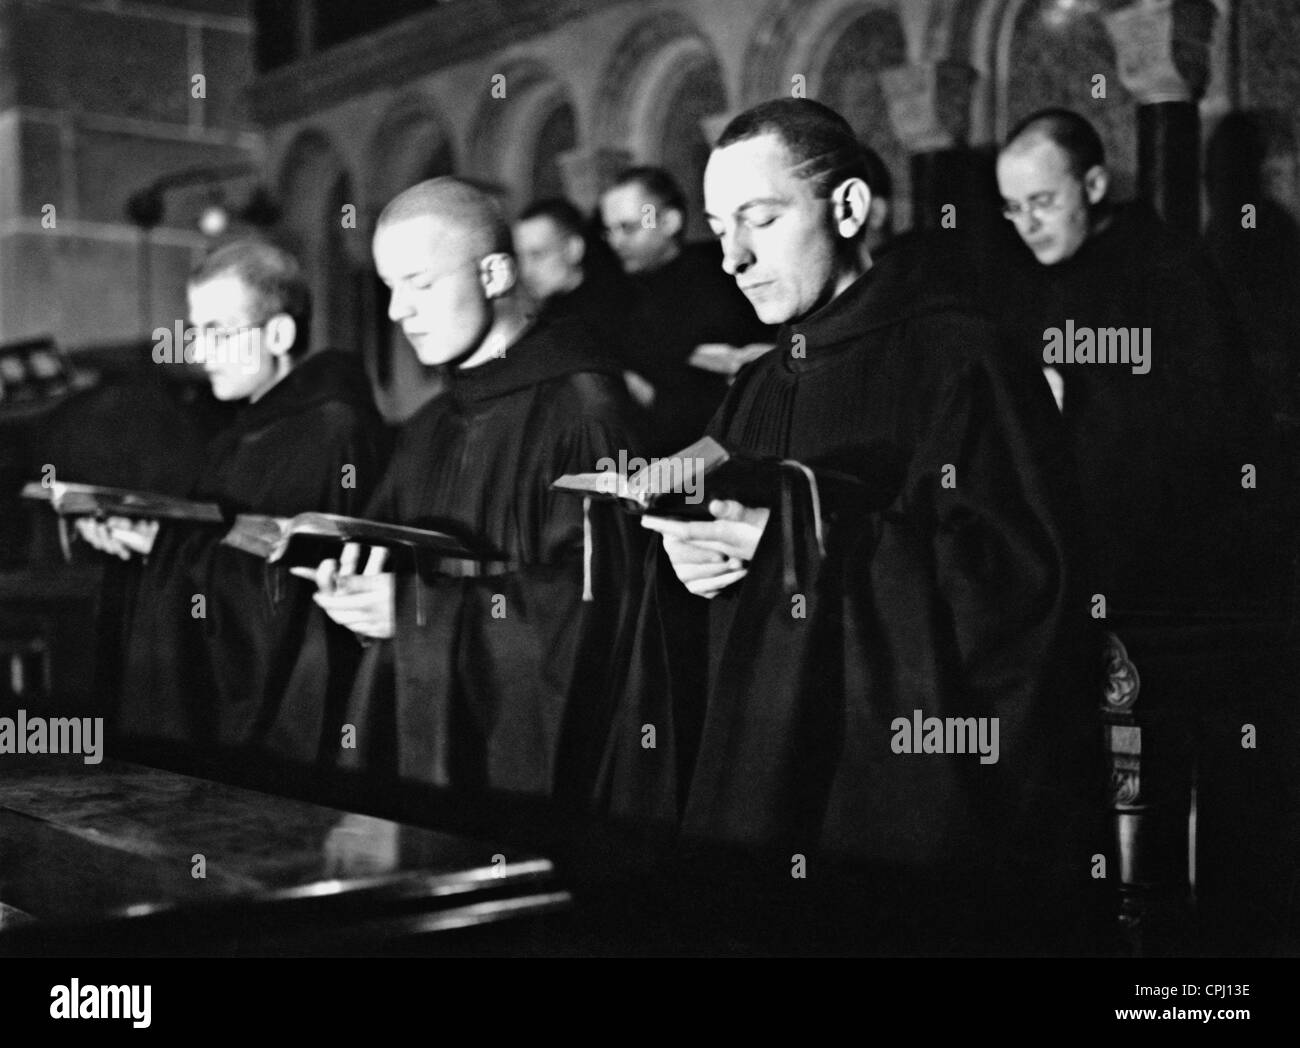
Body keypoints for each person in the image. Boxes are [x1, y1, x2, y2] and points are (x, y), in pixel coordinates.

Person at [597, 99, 1104, 950]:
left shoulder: (963, 356)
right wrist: (700, 570)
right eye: (719, 228)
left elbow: (1018, 595)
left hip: (891, 802)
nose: (732, 257)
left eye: (761, 220)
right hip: (766, 788)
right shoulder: (759, 385)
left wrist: (797, 547)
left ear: (849, 207)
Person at [311, 177, 643, 805]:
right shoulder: (428, 426)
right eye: (389, 287)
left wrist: (417, 611)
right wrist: (353, 594)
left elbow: (602, 613)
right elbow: (386, 557)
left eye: (419, 283)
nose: (396, 311)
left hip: (522, 772)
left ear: (494, 275)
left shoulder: (585, 411)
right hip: (419, 740)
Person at [80, 239, 388, 767]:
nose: (199, 354)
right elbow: (223, 544)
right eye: (195, 333)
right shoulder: (243, 429)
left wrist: (165, 548)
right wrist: (145, 543)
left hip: (293, 730)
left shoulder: (332, 430)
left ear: (279, 334)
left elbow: (292, 600)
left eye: (218, 332)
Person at [992, 107, 1275, 616]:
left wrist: (1078, 397)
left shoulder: (1169, 270)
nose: (1027, 224)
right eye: (1013, 208)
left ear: (1094, 185)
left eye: (1043, 202)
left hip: (1164, 568)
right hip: (1064, 558)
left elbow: (1219, 416)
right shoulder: (1025, 283)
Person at [599, 166, 772, 454]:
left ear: (669, 221)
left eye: (628, 228)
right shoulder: (614, 297)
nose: (617, 242)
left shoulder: (727, 279)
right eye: (609, 231)